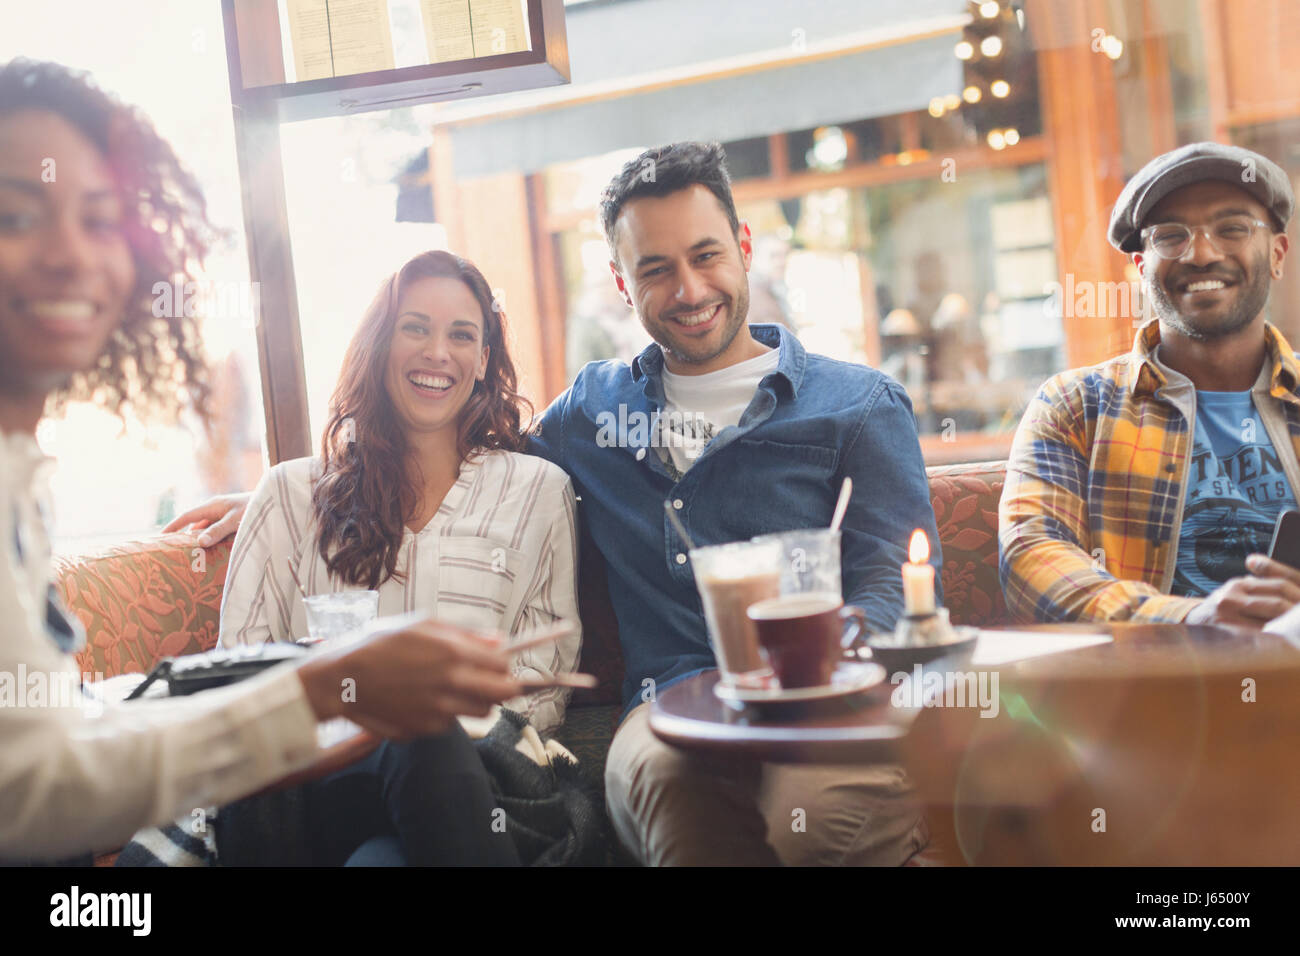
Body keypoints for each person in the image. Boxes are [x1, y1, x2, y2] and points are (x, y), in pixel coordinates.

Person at [177, 142, 942, 866]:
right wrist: (306, 486)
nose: (688, 289)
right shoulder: (592, 412)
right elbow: (465, 452)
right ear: (621, 283)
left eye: (705, 255)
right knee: (685, 817)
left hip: (825, 706)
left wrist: (813, 667)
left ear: (742, 244)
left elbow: (892, 589)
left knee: (792, 829)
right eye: (655, 268)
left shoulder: (858, 408)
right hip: (671, 718)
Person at [0, 58, 526, 863]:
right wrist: (317, 686)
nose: (70, 253)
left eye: (99, 218)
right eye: (16, 215)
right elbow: (28, 793)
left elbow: (47, 746)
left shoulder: (20, 475)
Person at [214, 250, 580, 864]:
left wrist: (442, 717)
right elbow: (240, 672)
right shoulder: (288, 494)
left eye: (461, 335)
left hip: (478, 783)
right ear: (381, 344)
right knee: (412, 722)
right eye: (415, 327)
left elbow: (544, 685)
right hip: (312, 783)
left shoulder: (537, 491)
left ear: (483, 360)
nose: (438, 351)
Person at [1000, 142, 1300, 628]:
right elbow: (1030, 558)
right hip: (1150, 686)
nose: (1201, 254)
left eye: (1232, 228)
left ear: (1277, 253)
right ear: (1142, 270)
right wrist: (1187, 618)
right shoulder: (1074, 406)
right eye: (1170, 236)